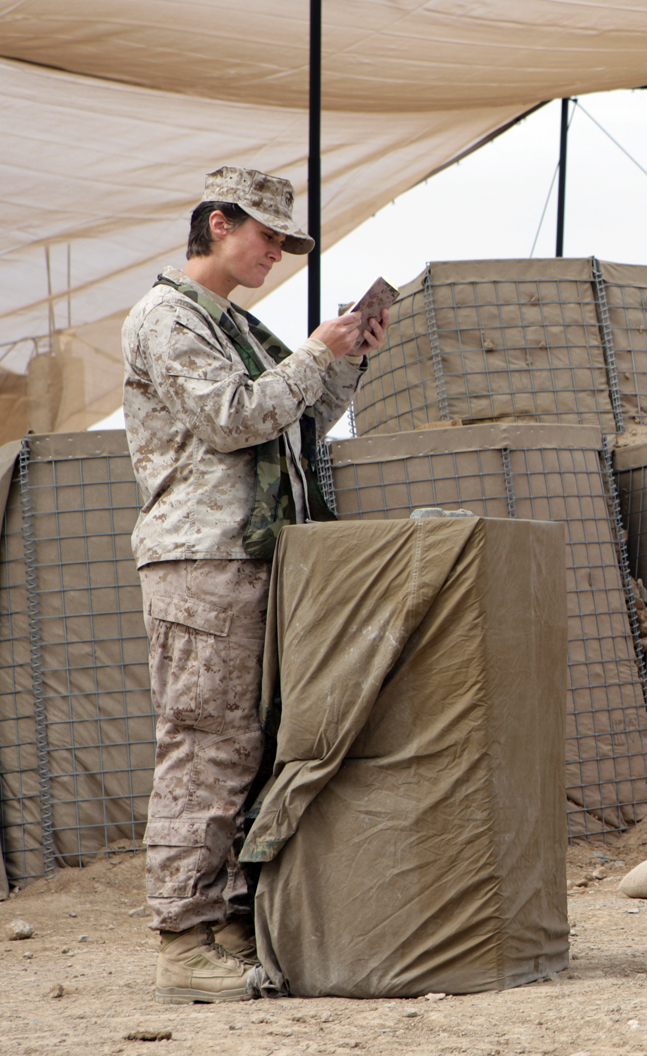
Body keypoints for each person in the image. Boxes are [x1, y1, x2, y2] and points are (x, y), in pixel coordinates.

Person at [121, 166, 387, 1003]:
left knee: (250, 747)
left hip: (253, 555)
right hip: (203, 560)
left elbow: (290, 413)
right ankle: (183, 941)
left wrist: (342, 364)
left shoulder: (230, 323)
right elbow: (233, 419)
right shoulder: (169, 319)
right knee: (204, 749)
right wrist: (315, 351)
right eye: (266, 235)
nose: (276, 251)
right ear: (216, 223)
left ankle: (230, 922)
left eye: (281, 239)